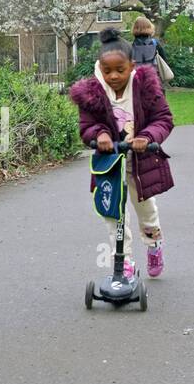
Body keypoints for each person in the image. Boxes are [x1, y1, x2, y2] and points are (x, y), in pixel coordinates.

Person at [69, 27, 175, 279]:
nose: (113, 76)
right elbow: (87, 126)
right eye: (107, 71)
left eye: (120, 70)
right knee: (113, 215)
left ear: (132, 66)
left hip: (141, 163)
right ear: (99, 67)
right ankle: (123, 263)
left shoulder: (146, 88)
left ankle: (153, 245)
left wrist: (146, 137)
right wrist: (100, 135)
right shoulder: (91, 94)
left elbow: (163, 119)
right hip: (109, 166)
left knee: (146, 211)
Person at [130, 16, 173, 89]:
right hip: (154, 79)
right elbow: (164, 60)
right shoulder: (155, 43)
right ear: (150, 27)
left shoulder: (130, 46)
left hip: (137, 80)